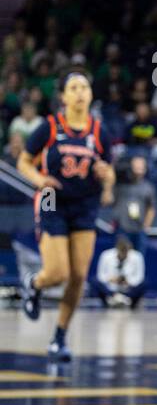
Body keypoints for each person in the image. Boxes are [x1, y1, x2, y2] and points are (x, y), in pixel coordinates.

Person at [17, 68, 115, 360]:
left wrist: (107, 179)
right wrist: (39, 180)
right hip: (51, 198)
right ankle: (33, 283)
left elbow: (109, 173)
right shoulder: (48, 127)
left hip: (85, 203)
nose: (79, 92)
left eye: (84, 87)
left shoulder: (99, 132)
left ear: (91, 94)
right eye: (73, 87)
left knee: (78, 276)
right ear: (63, 96)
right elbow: (23, 161)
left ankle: (59, 336)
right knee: (58, 272)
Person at [111, 155, 156, 254]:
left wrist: (146, 226)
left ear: (145, 169)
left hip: (139, 229)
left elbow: (151, 208)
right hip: (122, 228)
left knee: (138, 258)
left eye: (141, 167)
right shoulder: (120, 184)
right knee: (121, 257)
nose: (138, 170)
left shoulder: (148, 187)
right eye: (135, 166)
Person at [90, 234, 146, 308]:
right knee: (95, 282)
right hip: (110, 288)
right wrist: (110, 279)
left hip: (129, 289)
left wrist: (128, 281)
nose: (123, 254)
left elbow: (139, 277)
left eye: (125, 251)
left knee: (144, 284)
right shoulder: (106, 255)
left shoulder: (137, 256)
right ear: (117, 249)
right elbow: (100, 275)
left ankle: (125, 300)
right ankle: (113, 298)